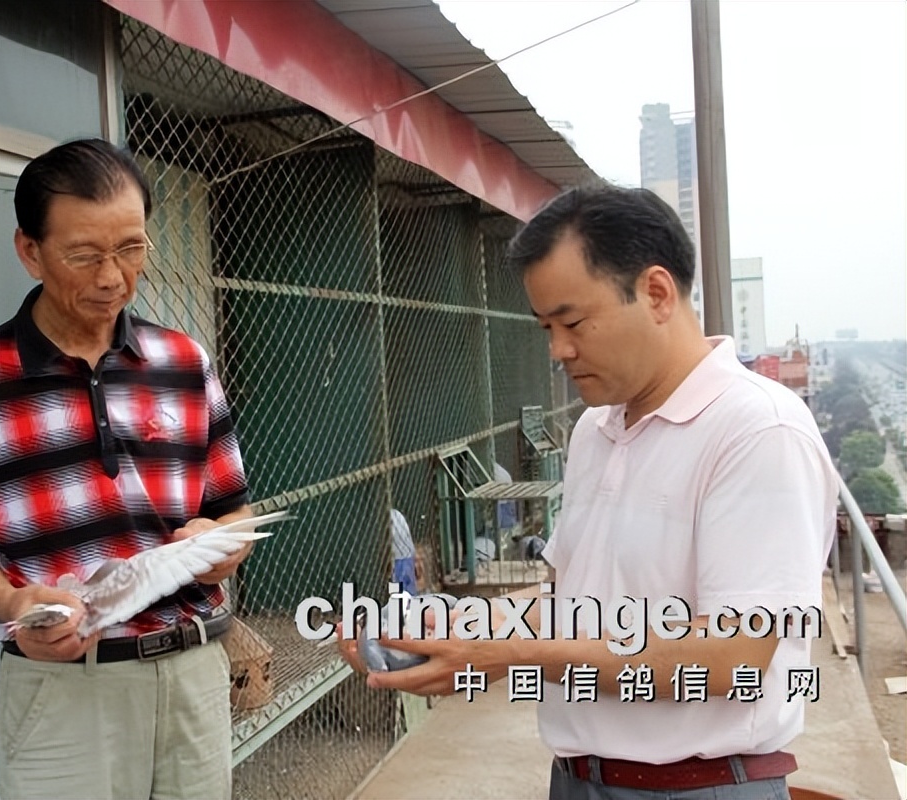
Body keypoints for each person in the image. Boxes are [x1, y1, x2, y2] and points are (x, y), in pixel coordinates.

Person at [342, 185, 837, 799]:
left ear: (656, 293)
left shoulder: (758, 429)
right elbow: (577, 599)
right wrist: (452, 628)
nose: (558, 350)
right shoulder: (595, 431)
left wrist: (508, 656)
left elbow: (733, 655)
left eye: (572, 321)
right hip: (579, 781)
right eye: (546, 326)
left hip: (698, 786)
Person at [0, 139, 252, 799]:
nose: (111, 277)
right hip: (61, 690)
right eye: (84, 255)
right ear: (29, 250)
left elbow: (233, 512)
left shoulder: (184, 364)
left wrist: (217, 550)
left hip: (192, 674)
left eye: (131, 249)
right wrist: (15, 603)